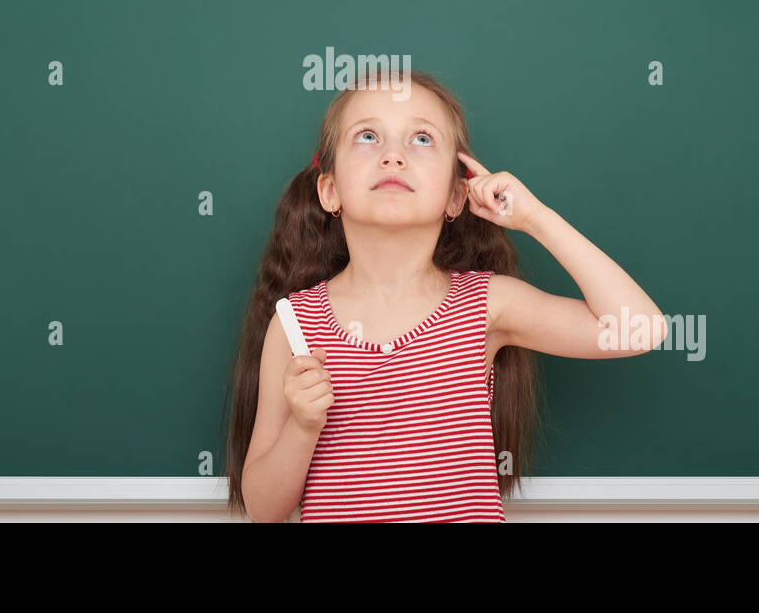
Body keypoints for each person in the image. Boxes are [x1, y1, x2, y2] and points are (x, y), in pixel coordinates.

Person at [223, 64, 666, 522]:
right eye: (368, 137)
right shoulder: (296, 325)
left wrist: (535, 218)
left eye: (421, 139)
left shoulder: (487, 305)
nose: (393, 156)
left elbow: (640, 330)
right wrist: (302, 425)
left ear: (458, 196)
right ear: (330, 190)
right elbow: (263, 509)